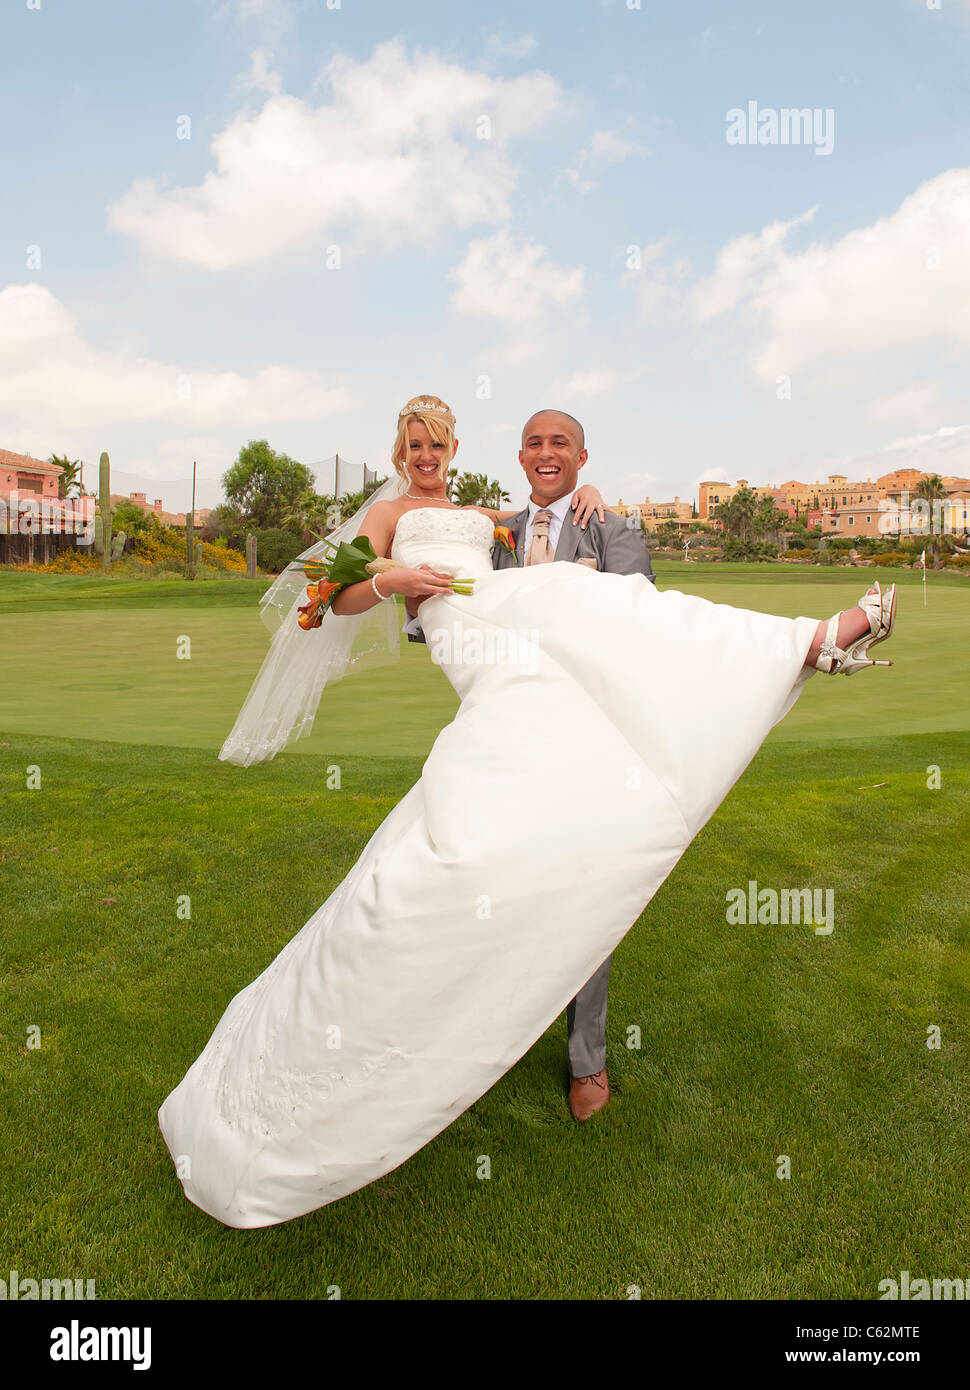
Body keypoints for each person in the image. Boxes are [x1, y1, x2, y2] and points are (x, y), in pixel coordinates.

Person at [158, 394, 897, 1230]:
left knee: (608, 602)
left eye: (438, 443)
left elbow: (537, 524)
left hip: (525, 632)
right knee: (573, 625)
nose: (426, 455)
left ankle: (807, 641)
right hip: (477, 642)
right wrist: (390, 578)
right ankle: (808, 641)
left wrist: (589, 506)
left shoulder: (492, 518)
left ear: (456, 447)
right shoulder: (393, 514)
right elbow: (317, 601)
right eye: (414, 445)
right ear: (400, 450)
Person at [403, 408, 656, 1121]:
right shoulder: (496, 534)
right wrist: (420, 598)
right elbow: (445, 616)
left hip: (590, 735)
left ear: (581, 456)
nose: (548, 454)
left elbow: (644, 621)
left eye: (561, 444)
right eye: (536, 444)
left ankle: (587, 1060)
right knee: (489, 883)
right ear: (521, 457)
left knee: (588, 892)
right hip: (506, 735)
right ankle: (483, 1040)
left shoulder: (615, 526)